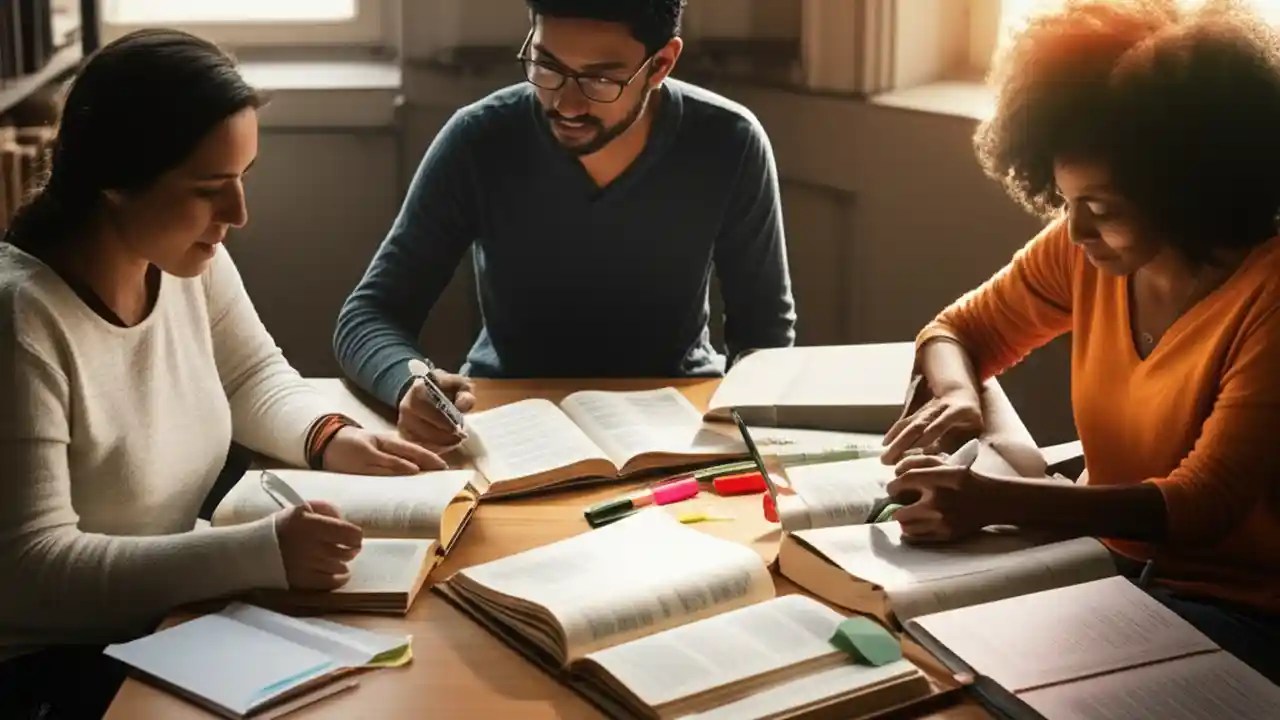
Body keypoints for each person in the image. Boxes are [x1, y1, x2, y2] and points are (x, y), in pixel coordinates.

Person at [0, 30, 446, 718]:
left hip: (169, 621)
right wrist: (259, 553)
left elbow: (249, 374)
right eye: (210, 188)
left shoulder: (179, 257)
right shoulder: (21, 321)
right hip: (56, 668)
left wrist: (330, 436)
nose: (238, 214)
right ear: (114, 182)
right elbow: (33, 573)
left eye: (243, 177)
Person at [879, 0, 1280, 681]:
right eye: (1065, 202)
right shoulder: (1084, 252)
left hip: (1245, 610)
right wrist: (957, 398)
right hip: (1109, 566)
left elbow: (1201, 505)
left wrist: (995, 501)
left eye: (1101, 209)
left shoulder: (1267, 294)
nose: (1074, 230)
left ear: (1188, 190)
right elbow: (956, 330)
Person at [334, 0, 797, 448]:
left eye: (600, 79)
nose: (566, 104)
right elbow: (369, 315)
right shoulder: (479, 139)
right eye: (547, 66)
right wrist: (408, 383)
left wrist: (746, 427)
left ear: (661, 64)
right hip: (505, 423)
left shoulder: (729, 142)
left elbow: (764, 337)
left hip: (683, 421)